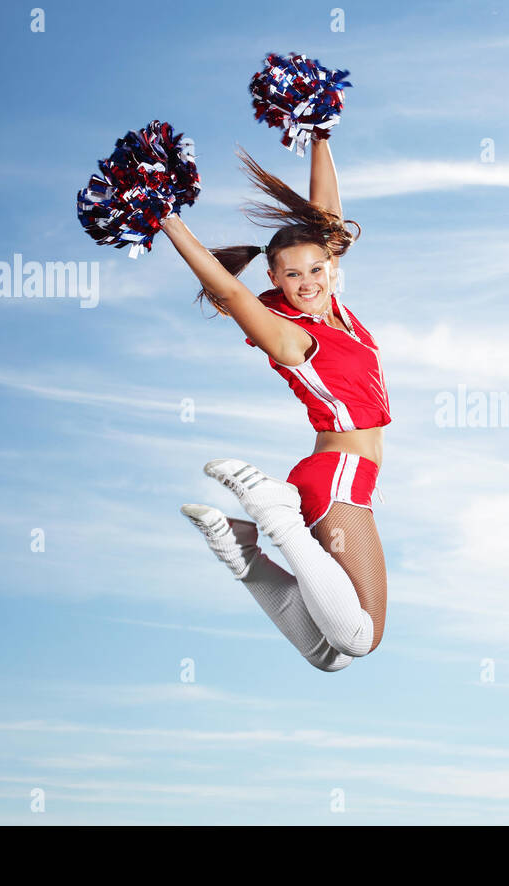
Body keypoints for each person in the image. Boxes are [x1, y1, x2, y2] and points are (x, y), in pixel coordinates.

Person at [161, 139, 390, 671]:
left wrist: (320, 133)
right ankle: (271, 510)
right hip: (337, 477)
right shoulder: (293, 337)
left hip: (337, 475)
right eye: (292, 275)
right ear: (273, 279)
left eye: (316, 270)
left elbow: (328, 220)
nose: (307, 283)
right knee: (360, 638)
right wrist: (167, 220)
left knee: (331, 657)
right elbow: (231, 294)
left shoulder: (337, 311)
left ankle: (240, 551)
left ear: (331, 267)